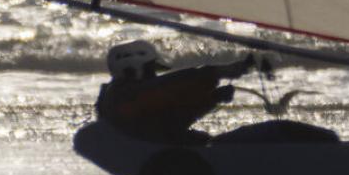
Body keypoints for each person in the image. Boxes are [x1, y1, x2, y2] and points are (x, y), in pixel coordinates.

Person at [96, 39, 255, 145]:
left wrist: (213, 98)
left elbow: (171, 113)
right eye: (150, 69)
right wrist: (216, 73)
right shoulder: (126, 96)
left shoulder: (118, 94)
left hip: (161, 142)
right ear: (133, 69)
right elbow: (171, 89)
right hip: (161, 150)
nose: (154, 75)